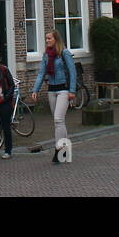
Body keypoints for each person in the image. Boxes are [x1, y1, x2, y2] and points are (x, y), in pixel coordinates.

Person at [30, 29, 77, 163]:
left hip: (64, 89)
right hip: (51, 90)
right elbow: (41, 73)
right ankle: (66, 150)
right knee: (59, 122)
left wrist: (72, 91)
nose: (47, 40)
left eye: (49, 38)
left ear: (56, 39)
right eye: (46, 38)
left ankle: (58, 151)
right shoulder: (46, 56)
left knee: (58, 120)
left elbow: (72, 73)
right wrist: (35, 89)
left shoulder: (64, 53)